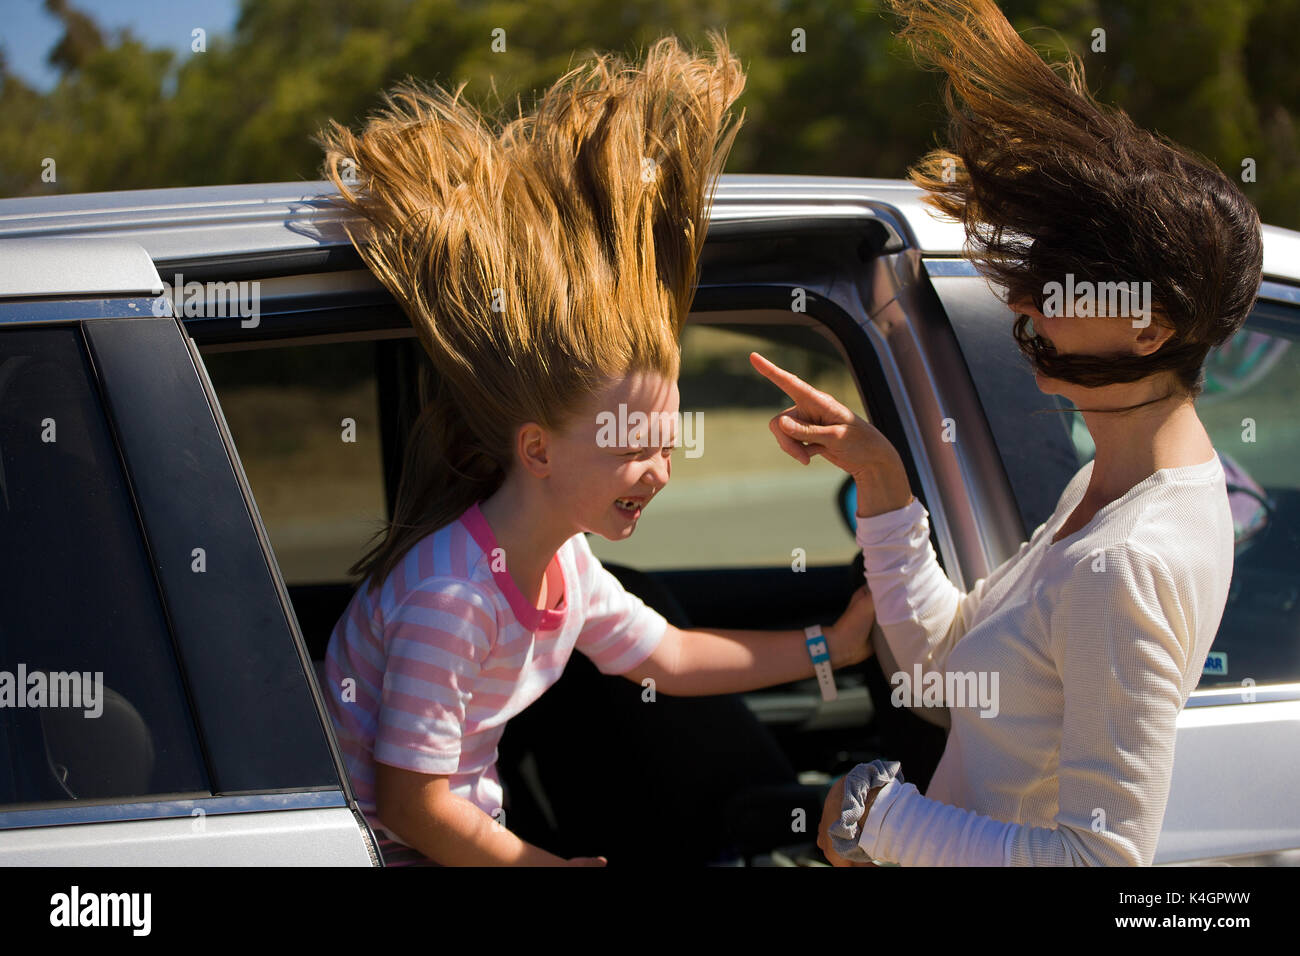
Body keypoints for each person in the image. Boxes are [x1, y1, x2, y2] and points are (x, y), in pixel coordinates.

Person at [311, 32, 877, 867]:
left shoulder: (560, 562)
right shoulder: (454, 597)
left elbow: (672, 659)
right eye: (628, 449)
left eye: (663, 445)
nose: (657, 473)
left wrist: (834, 645)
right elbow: (411, 802)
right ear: (536, 451)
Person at [753, 0, 1261, 866]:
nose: (1025, 303)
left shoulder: (1123, 560)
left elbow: (1098, 860)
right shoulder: (1120, 488)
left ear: (1150, 327)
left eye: (1059, 287)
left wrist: (875, 819)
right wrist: (883, 486)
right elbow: (948, 673)